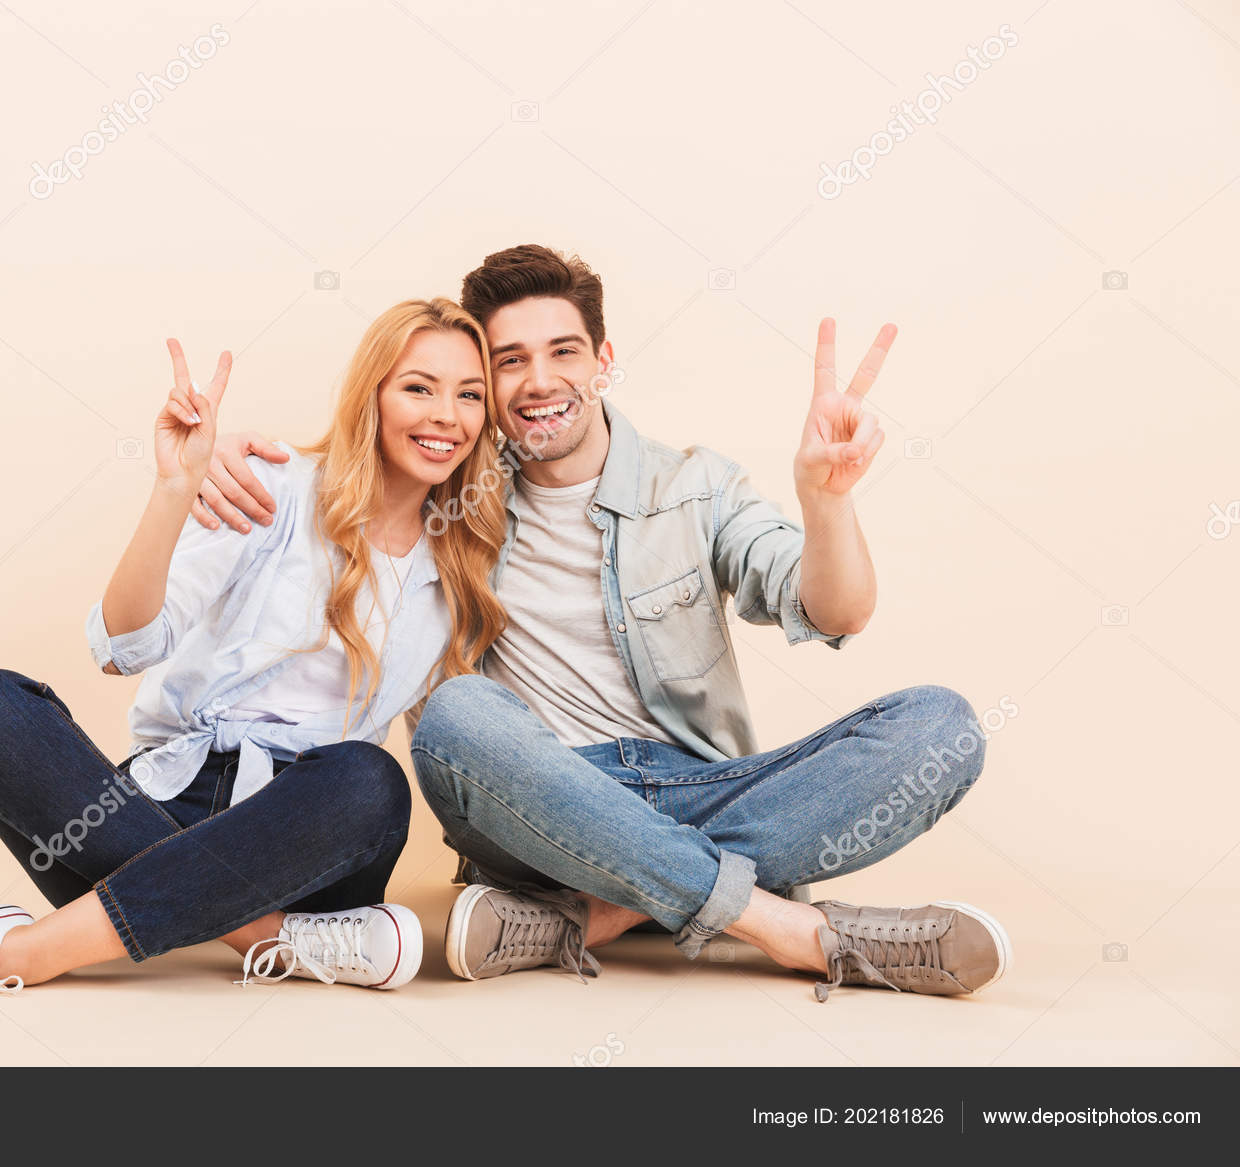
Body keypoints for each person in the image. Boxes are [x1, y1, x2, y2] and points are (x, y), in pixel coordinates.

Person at [202, 245, 1010, 1003]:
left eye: (562, 352)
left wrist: (826, 502)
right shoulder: (444, 496)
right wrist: (216, 463)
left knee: (942, 727)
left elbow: (836, 609)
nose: (538, 380)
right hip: (534, 807)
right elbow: (338, 482)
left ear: (603, 360)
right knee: (456, 718)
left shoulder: (695, 486)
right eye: (508, 361)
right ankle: (788, 928)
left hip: (701, 781)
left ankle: (593, 915)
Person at [0, 298, 507, 995]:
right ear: (374, 395)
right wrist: (175, 488)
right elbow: (125, 645)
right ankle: (269, 938)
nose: (445, 416)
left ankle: (22, 951)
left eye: (470, 395)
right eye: (418, 387)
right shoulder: (271, 486)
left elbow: (444, 746)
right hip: (157, 803)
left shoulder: (463, 566)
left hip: (309, 839)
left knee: (371, 779)